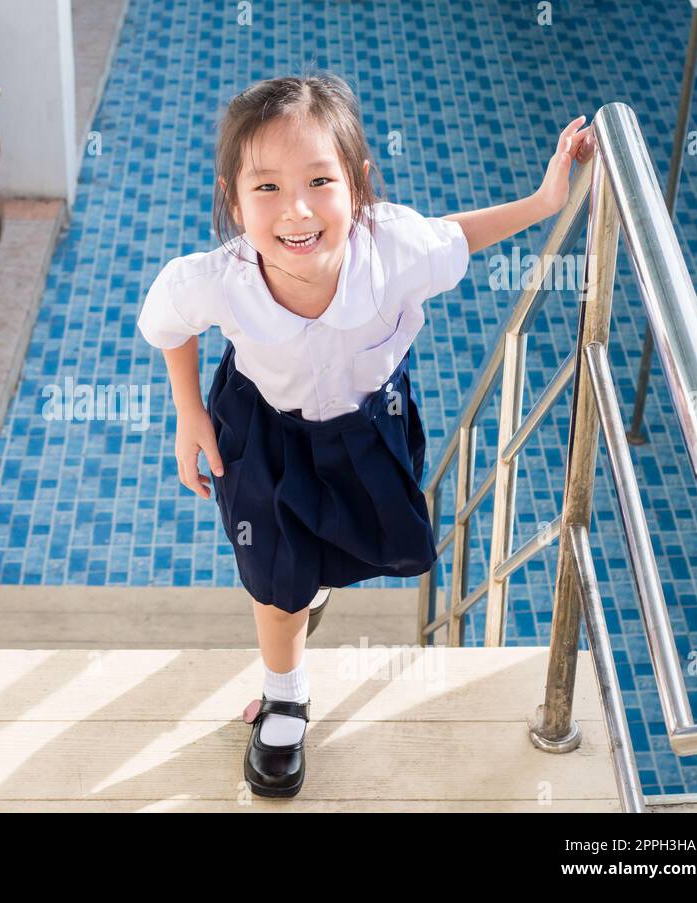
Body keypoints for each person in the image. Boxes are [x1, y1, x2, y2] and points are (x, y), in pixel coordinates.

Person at [135, 73, 595, 799]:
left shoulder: (396, 249)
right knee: (275, 576)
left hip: (365, 428)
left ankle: (309, 587)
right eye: (266, 189)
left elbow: (459, 234)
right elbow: (168, 324)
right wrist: (188, 411)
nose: (296, 210)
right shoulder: (216, 279)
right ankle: (284, 693)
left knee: (345, 548)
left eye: (320, 180)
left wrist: (544, 203)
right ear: (232, 199)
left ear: (357, 185)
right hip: (265, 431)